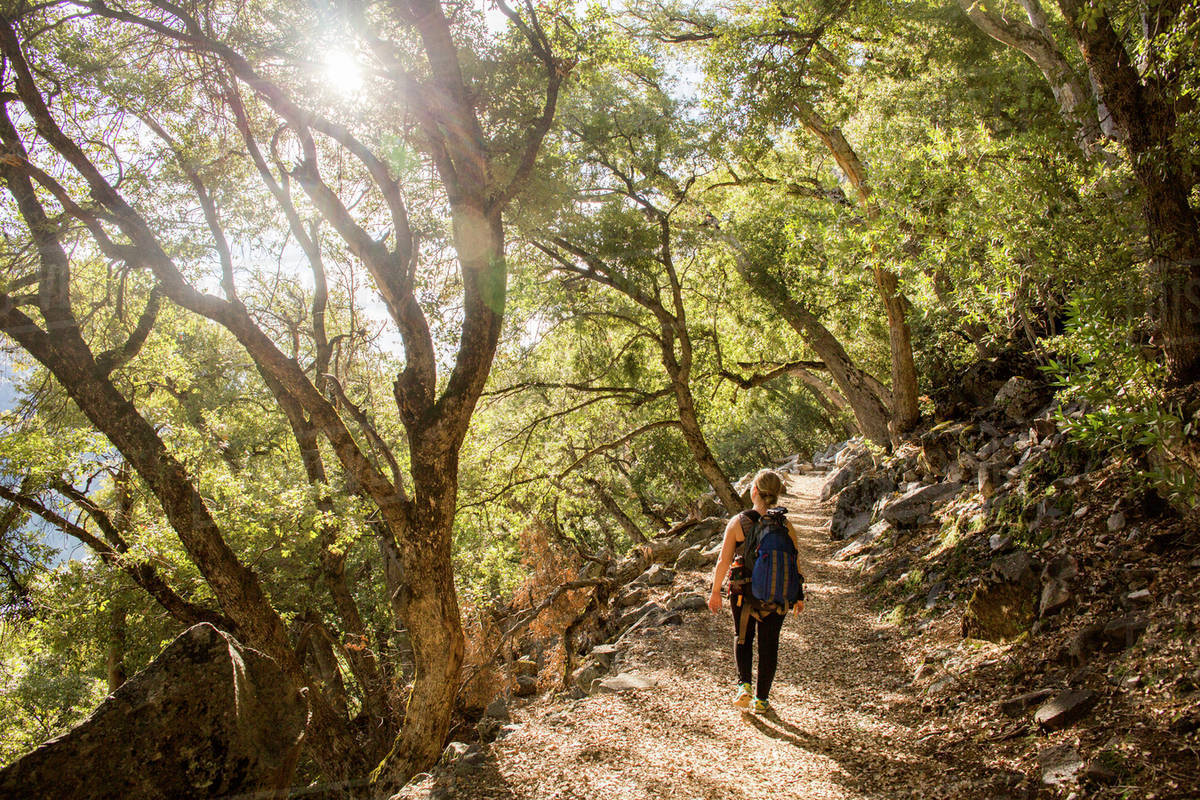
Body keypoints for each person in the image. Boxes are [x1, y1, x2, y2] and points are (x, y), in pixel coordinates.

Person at [707, 468, 804, 714]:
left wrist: (715, 591)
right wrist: (799, 595)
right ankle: (762, 699)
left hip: (743, 594)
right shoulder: (785, 524)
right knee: (769, 644)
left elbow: (723, 561)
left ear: (754, 492)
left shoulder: (738, 522)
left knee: (743, 638)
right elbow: (794, 561)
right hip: (776, 595)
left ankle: (744, 686)